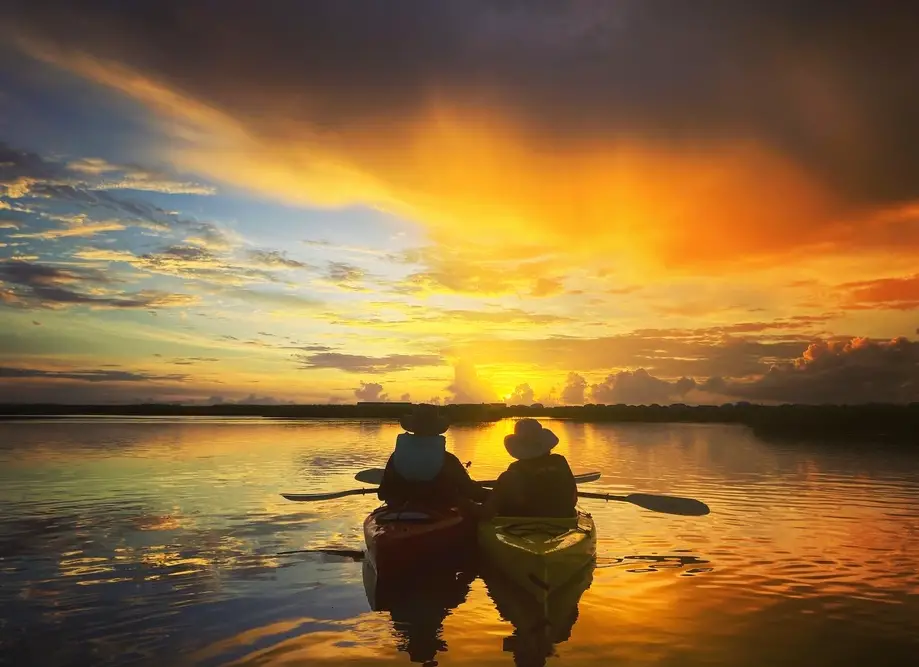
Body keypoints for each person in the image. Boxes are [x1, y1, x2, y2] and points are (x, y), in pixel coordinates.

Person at [377, 404, 488, 510]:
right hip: (437, 513)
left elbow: (382, 493)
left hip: (399, 516)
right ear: (437, 430)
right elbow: (470, 491)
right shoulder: (448, 460)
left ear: (413, 428)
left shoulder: (396, 457)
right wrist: (494, 495)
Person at [484, 418, 578, 518]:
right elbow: (573, 497)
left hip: (525, 518)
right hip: (563, 516)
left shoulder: (514, 469)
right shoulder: (560, 461)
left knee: (506, 478)